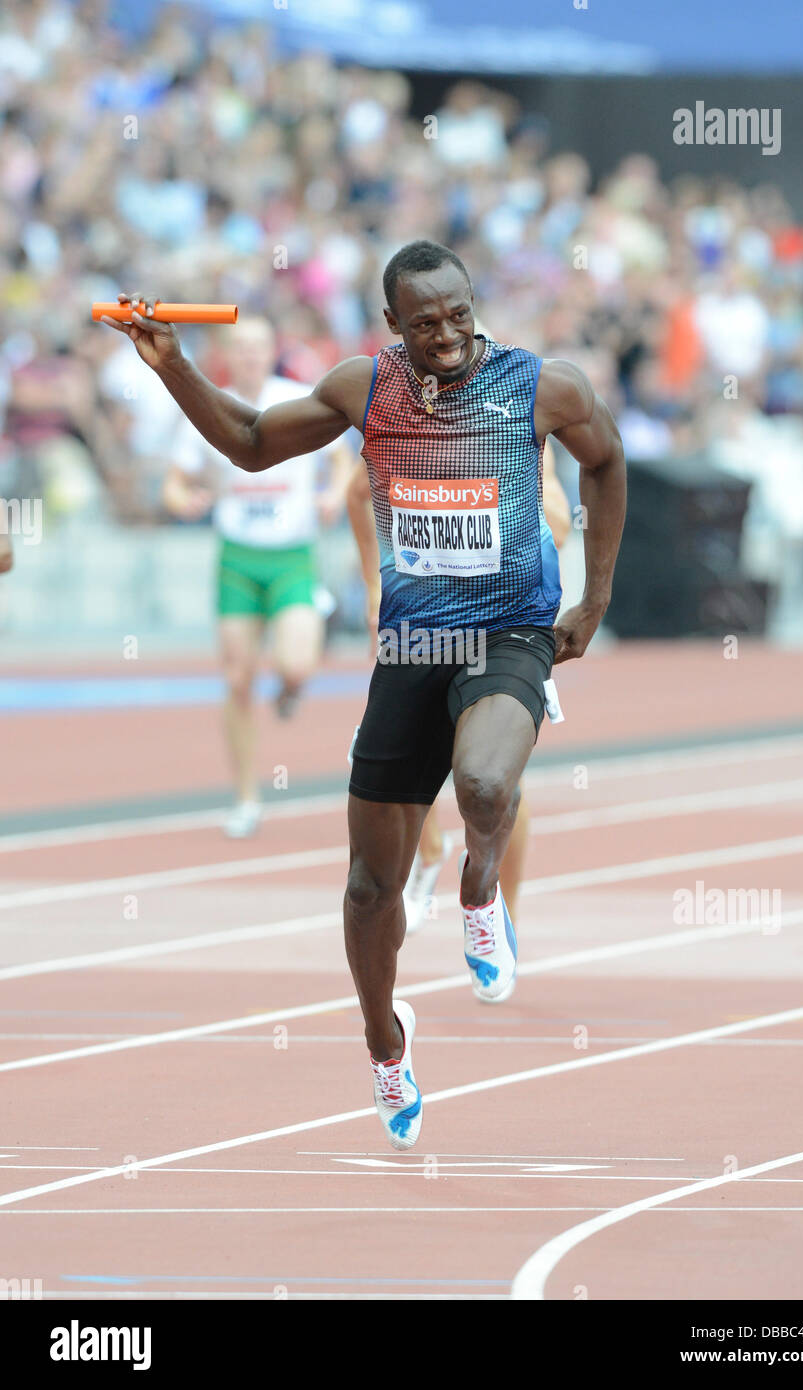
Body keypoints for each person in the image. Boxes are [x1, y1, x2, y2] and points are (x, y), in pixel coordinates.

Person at [100, 240, 626, 1150]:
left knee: (488, 786)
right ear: (394, 326)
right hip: (413, 643)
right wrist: (174, 366)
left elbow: (607, 463)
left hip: (508, 631)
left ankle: (478, 889)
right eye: (426, 323)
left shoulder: (542, 386)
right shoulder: (364, 387)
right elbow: (254, 443)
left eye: (459, 314)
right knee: (367, 885)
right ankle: (386, 1038)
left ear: (474, 303)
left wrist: (595, 598)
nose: (448, 335)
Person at [346, 437, 573, 932]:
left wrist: (505, 509)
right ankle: (429, 849)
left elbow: (559, 524)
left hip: (499, 634)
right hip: (422, 628)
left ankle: (498, 909)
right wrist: (371, 587)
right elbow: (357, 493)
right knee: (385, 760)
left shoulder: (519, 434)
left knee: (496, 783)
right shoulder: (406, 435)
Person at [161, 316, 352, 839]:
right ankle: (246, 796)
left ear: (272, 351)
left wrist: (334, 494)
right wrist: (185, 501)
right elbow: (173, 485)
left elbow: (341, 463)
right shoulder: (208, 407)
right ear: (227, 353)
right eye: (239, 348)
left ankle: (292, 686)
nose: (249, 356)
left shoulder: (296, 400)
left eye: (258, 347)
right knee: (238, 680)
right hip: (237, 561)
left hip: (292, 557)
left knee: (295, 666)